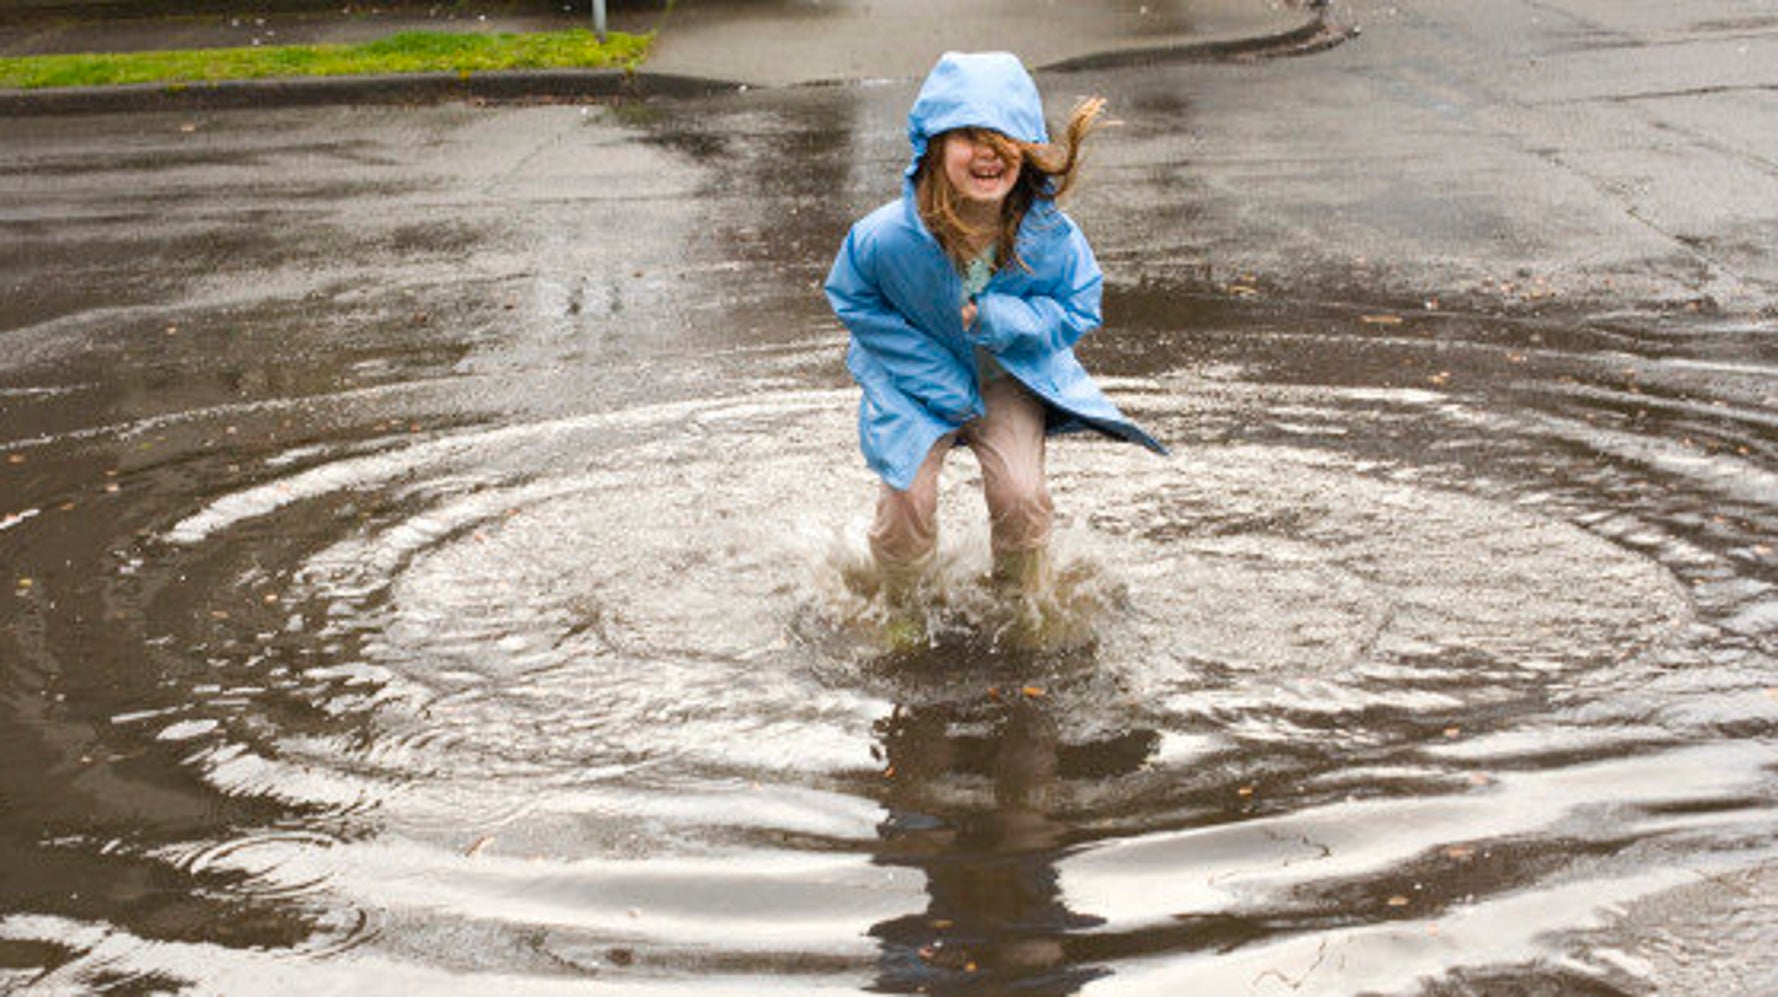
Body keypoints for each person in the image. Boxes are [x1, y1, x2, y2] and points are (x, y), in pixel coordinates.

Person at [825, 51, 1166, 604]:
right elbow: (851, 296)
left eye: (1004, 137)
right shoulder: (885, 236)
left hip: (1006, 375)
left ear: (1027, 148)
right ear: (933, 148)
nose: (987, 152)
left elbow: (1081, 306)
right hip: (914, 382)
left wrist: (1000, 319)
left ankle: (1022, 602)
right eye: (967, 136)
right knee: (909, 496)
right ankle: (900, 606)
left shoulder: (1050, 236)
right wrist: (927, 370)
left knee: (1021, 494)